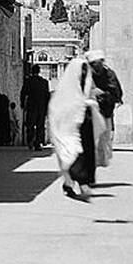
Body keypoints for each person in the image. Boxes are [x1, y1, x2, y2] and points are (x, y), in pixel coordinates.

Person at [47, 54, 107, 201]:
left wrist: (90, 102)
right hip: (70, 128)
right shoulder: (64, 93)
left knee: (82, 153)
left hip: (83, 123)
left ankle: (71, 184)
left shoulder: (83, 86)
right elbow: (61, 111)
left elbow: (85, 97)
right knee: (73, 153)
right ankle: (81, 183)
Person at [20, 64, 51, 151]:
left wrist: (22, 104)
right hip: (41, 108)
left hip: (31, 106)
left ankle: (30, 141)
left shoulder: (28, 81)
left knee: (30, 125)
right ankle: (37, 143)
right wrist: (47, 107)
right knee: (40, 126)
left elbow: (23, 93)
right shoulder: (44, 82)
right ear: (39, 71)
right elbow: (47, 96)